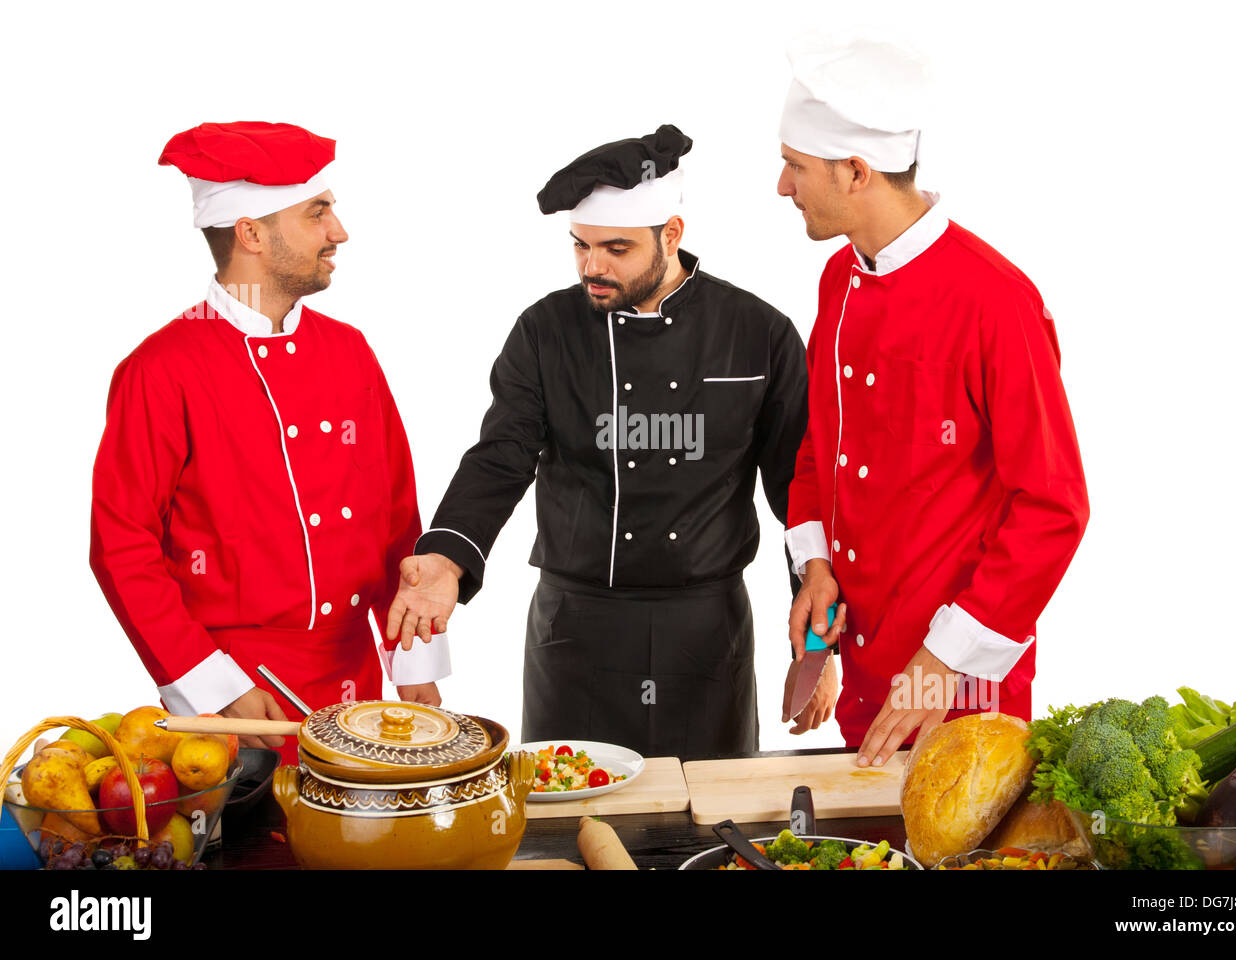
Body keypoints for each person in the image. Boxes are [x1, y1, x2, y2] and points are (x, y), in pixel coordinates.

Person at [386, 125, 812, 758]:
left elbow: (798, 489)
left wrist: (818, 641)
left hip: (705, 630)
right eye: (581, 246)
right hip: (576, 630)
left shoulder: (758, 333)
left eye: (616, 248)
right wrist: (447, 559)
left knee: (707, 811)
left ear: (671, 234)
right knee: (569, 806)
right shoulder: (545, 330)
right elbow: (501, 456)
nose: (593, 267)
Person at [89, 121, 447, 764]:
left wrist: (413, 657)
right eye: (318, 213)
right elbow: (122, 546)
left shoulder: (351, 351)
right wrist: (212, 686)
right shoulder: (161, 369)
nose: (340, 231)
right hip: (242, 700)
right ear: (250, 233)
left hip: (359, 690)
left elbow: (397, 515)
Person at [776, 36, 1090, 766]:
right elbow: (822, 444)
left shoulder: (997, 301)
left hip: (962, 686)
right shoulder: (839, 281)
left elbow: (1054, 508)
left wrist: (946, 659)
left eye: (795, 165)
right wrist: (816, 566)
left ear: (856, 171)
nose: (782, 186)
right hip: (864, 670)